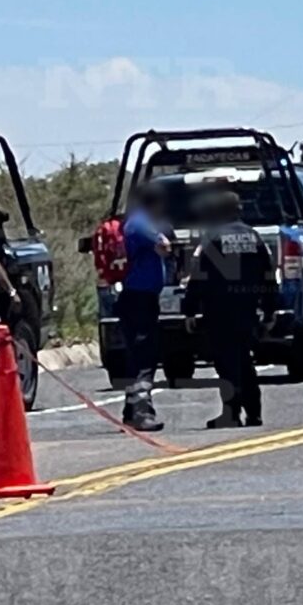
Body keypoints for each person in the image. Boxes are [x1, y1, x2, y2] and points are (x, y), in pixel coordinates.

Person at [183, 189, 277, 429]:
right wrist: (270, 310)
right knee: (245, 360)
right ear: (239, 210)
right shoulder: (255, 238)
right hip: (247, 309)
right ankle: (254, 412)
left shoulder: (212, 239)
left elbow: (198, 278)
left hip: (219, 311)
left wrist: (190, 310)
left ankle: (231, 412)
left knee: (226, 363)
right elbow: (268, 277)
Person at [117, 183, 172, 431]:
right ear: (156, 203)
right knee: (144, 356)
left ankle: (130, 411)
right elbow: (164, 245)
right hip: (139, 298)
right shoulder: (141, 223)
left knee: (136, 354)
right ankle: (142, 413)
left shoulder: (134, 221)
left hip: (136, 297)